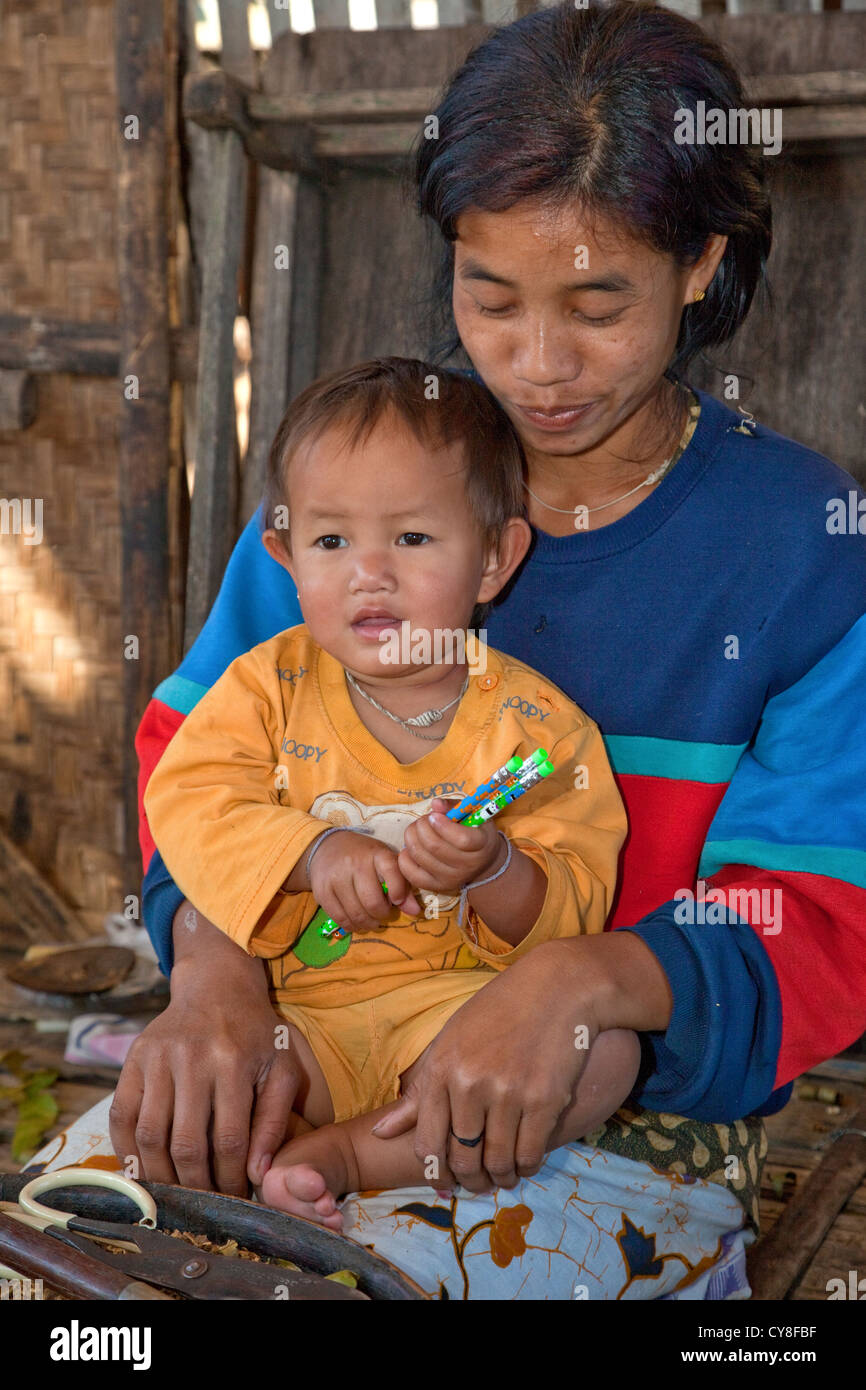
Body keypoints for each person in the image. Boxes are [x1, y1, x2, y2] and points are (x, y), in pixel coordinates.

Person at [112, 0, 866, 1298]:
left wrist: (589, 976)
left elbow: (822, 913)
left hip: (629, 1103)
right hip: (303, 1027)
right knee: (96, 1251)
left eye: (595, 302)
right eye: (489, 294)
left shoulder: (803, 549)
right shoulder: (354, 503)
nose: (535, 364)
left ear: (701, 262)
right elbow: (194, 758)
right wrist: (215, 969)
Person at [142, 357, 635, 1228]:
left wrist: (492, 869)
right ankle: (274, 1144)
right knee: (181, 1086)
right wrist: (312, 851)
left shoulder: (539, 732)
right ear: (286, 559)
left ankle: (346, 1158)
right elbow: (190, 802)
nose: (369, 572)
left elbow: (578, 902)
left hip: (454, 1028)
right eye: (331, 542)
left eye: (410, 539)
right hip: (293, 1020)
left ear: (494, 558)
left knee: (606, 1058)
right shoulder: (266, 688)